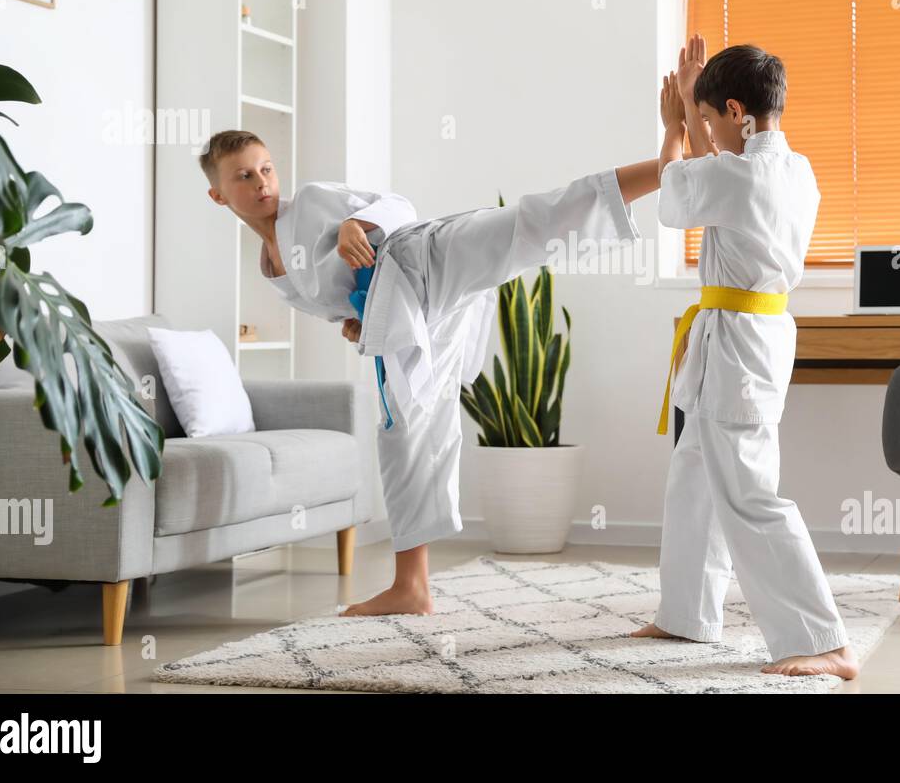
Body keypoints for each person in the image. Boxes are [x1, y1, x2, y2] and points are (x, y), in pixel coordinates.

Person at [200, 130, 659, 615]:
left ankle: (668, 164)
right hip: (403, 316)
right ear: (218, 194)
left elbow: (396, 206)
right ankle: (411, 587)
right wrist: (355, 324)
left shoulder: (312, 201)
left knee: (527, 225)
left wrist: (353, 224)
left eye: (266, 168)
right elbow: (341, 301)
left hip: (424, 257)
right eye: (244, 176)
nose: (262, 182)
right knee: (403, 434)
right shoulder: (271, 267)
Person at [630, 36, 860, 679]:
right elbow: (711, 179)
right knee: (695, 477)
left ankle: (825, 640)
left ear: (737, 111)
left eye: (710, 120)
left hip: (740, 345)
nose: (703, 132)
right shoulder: (793, 168)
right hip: (738, 337)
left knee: (751, 494)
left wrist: (672, 126)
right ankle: (687, 614)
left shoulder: (742, 174)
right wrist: (694, 113)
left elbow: (677, 197)